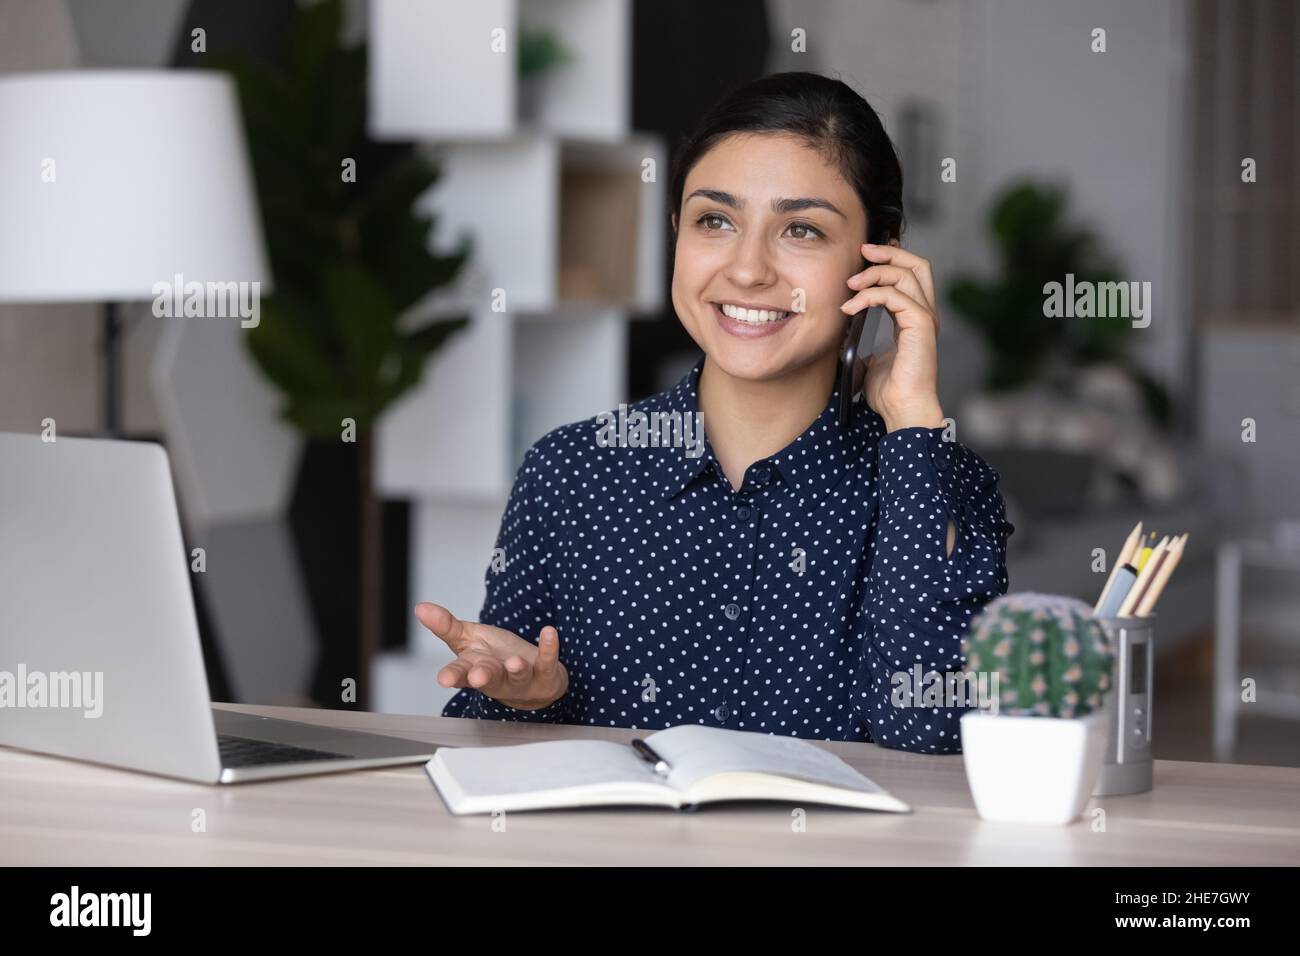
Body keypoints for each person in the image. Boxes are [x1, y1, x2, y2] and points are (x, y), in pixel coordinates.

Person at [415, 71, 1014, 752]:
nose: (749, 269)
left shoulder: (938, 482)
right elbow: (485, 743)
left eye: (802, 230)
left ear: (880, 256)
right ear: (676, 231)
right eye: (715, 220)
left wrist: (911, 423)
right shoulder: (569, 471)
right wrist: (530, 698)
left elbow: (930, 736)